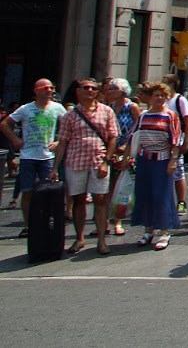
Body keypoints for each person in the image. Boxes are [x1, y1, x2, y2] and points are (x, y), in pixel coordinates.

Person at [58, 78, 117, 254]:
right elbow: (62, 142)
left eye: (93, 88)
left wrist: (106, 161)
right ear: (78, 91)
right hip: (75, 161)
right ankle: (79, 238)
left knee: (100, 199)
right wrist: (55, 167)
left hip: (99, 160)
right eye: (86, 88)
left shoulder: (106, 111)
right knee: (78, 199)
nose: (90, 90)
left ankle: (101, 240)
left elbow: (113, 137)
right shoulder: (69, 115)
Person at [1, 79, 65, 234]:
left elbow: (68, 126)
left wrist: (58, 141)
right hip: (28, 156)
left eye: (52, 88)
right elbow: (4, 124)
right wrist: (15, 139)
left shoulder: (58, 108)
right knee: (27, 191)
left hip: (47, 157)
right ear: (36, 91)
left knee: (48, 191)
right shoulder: (25, 109)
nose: (49, 91)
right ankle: (28, 225)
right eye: (45, 88)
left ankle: (45, 221)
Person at [127, 81, 182, 250]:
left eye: (162, 95)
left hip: (162, 160)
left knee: (162, 195)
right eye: (156, 95)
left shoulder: (170, 115)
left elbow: (175, 140)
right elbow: (133, 136)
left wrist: (173, 161)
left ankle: (164, 232)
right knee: (145, 195)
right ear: (150, 98)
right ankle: (148, 230)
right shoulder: (143, 115)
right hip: (145, 160)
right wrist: (127, 157)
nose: (159, 98)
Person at [103, 77, 139, 238]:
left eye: (114, 88)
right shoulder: (109, 108)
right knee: (106, 187)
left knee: (120, 186)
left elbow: (138, 127)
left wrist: (127, 146)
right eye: (109, 89)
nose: (111, 91)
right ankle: (104, 221)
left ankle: (117, 221)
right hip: (110, 150)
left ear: (123, 90)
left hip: (125, 150)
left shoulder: (131, 106)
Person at [160, 74, 188, 217]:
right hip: (162, 143)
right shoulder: (160, 100)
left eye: (165, 83)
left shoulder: (180, 100)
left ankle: (181, 202)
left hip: (177, 141)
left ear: (173, 84)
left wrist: (186, 142)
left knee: (178, 173)